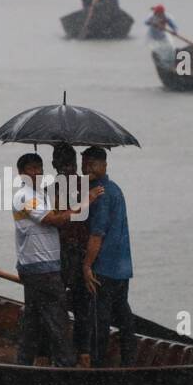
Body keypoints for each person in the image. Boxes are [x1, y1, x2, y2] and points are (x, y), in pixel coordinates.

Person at [11, 152, 98, 368]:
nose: (37, 173)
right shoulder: (25, 196)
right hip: (41, 268)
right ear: (21, 173)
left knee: (32, 320)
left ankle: (23, 363)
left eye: (39, 168)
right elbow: (55, 220)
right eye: (31, 169)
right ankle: (66, 366)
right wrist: (87, 201)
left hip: (39, 266)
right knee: (58, 320)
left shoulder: (40, 195)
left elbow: (58, 209)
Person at [81, 146, 136, 368]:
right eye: (84, 163)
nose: (88, 168)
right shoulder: (115, 189)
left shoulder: (100, 193)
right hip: (122, 267)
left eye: (93, 163)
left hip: (104, 267)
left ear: (105, 165)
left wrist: (86, 266)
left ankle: (99, 364)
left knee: (99, 319)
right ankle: (129, 361)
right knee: (123, 315)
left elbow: (97, 234)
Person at [50, 143, 94, 367]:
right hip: (84, 253)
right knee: (82, 307)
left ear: (54, 163)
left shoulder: (51, 188)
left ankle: (53, 356)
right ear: (76, 162)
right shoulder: (86, 186)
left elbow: (51, 220)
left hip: (61, 253)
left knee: (56, 306)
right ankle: (84, 355)